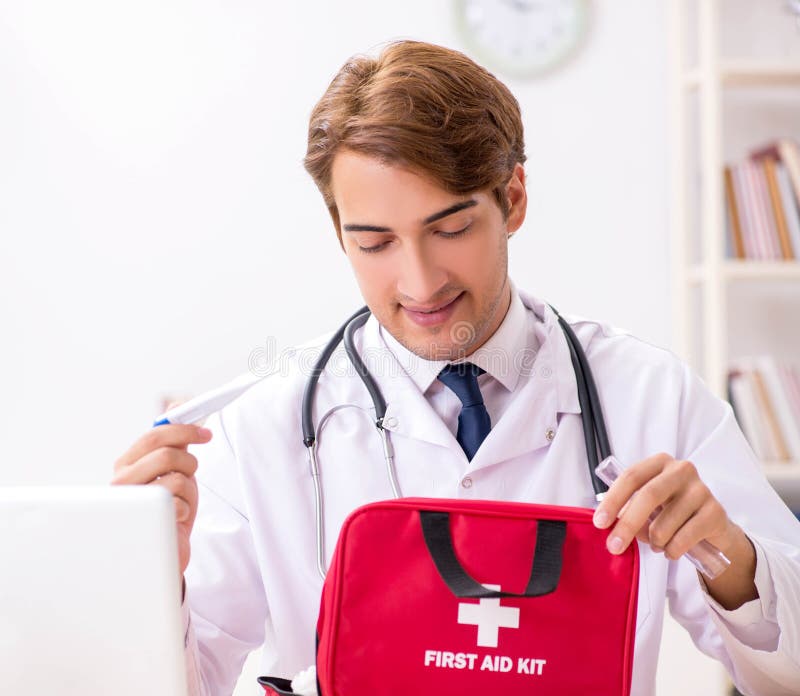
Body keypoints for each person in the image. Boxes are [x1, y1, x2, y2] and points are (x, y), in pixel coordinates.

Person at [112, 40, 800, 695]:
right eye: (376, 242)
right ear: (339, 236)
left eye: (449, 229)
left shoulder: (650, 395)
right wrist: (148, 581)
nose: (420, 283)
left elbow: (787, 674)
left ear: (513, 199)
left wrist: (729, 556)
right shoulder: (260, 426)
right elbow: (183, 683)